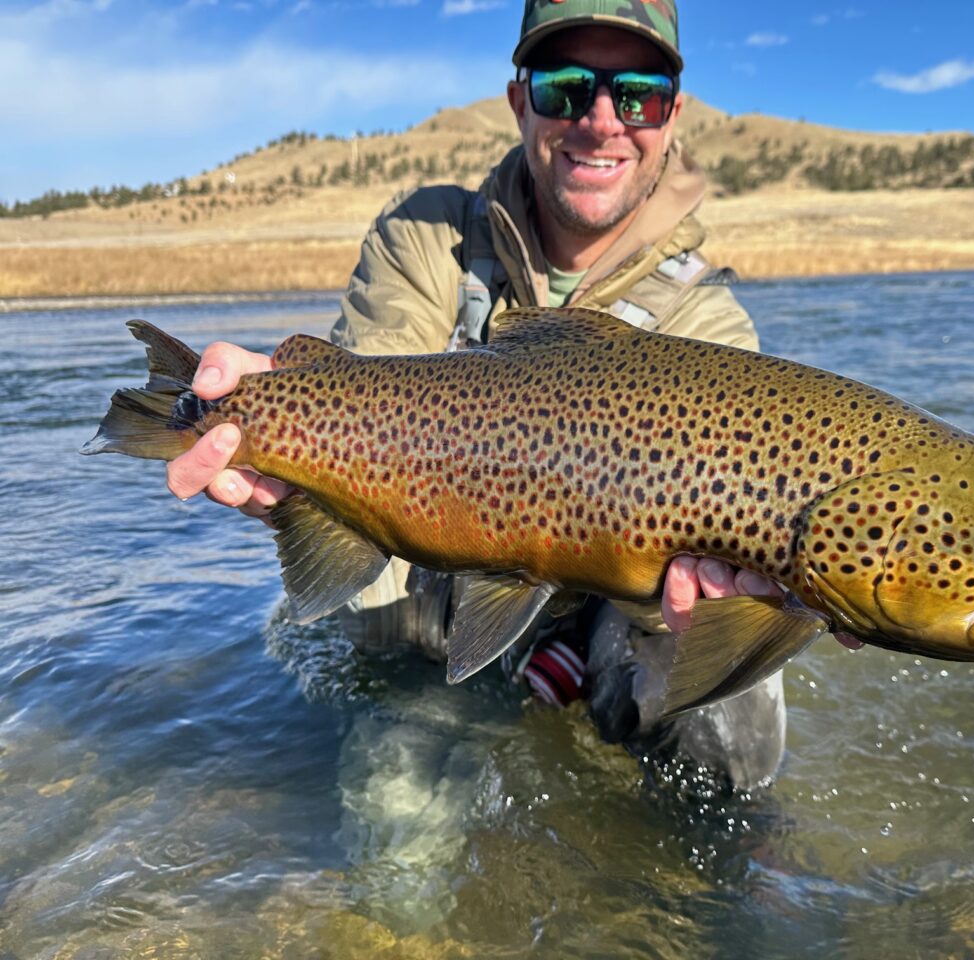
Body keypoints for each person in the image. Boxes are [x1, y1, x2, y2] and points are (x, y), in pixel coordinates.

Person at [165, 0, 789, 788]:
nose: (601, 120)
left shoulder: (709, 323)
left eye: (637, 94)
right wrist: (273, 428)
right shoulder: (427, 236)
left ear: (672, 113)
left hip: (600, 615)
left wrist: (700, 614)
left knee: (738, 708)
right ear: (519, 99)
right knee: (399, 833)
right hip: (422, 601)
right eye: (566, 87)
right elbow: (364, 395)